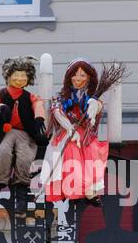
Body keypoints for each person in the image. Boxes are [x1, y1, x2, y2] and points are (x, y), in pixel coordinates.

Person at [0, 56, 48, 211]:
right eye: (16, 76)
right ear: (9, 77)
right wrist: (0, 107)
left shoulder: (28, 96)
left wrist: (39, 117)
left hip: (24, 133)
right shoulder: (2, 93)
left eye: (23, 76)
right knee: (2, 152)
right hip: (5, 133)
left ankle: (21, 193)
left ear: (28, 78)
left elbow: (37, 103)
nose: (19, 79)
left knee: (25, 157)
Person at [42, 59, 109, 204]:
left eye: (83, 75)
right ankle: (75, 188)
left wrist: (95, 106)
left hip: (86, 133)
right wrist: (70, 129)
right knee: (71, 150)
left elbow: (97, 111)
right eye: (75, 75)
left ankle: (88, 188)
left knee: (92, 150)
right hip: (66, 132)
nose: (78, 79)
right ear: (69, 76)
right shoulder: (61, 95)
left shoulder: (92, 97)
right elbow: (57, 111)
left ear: (89, 78)